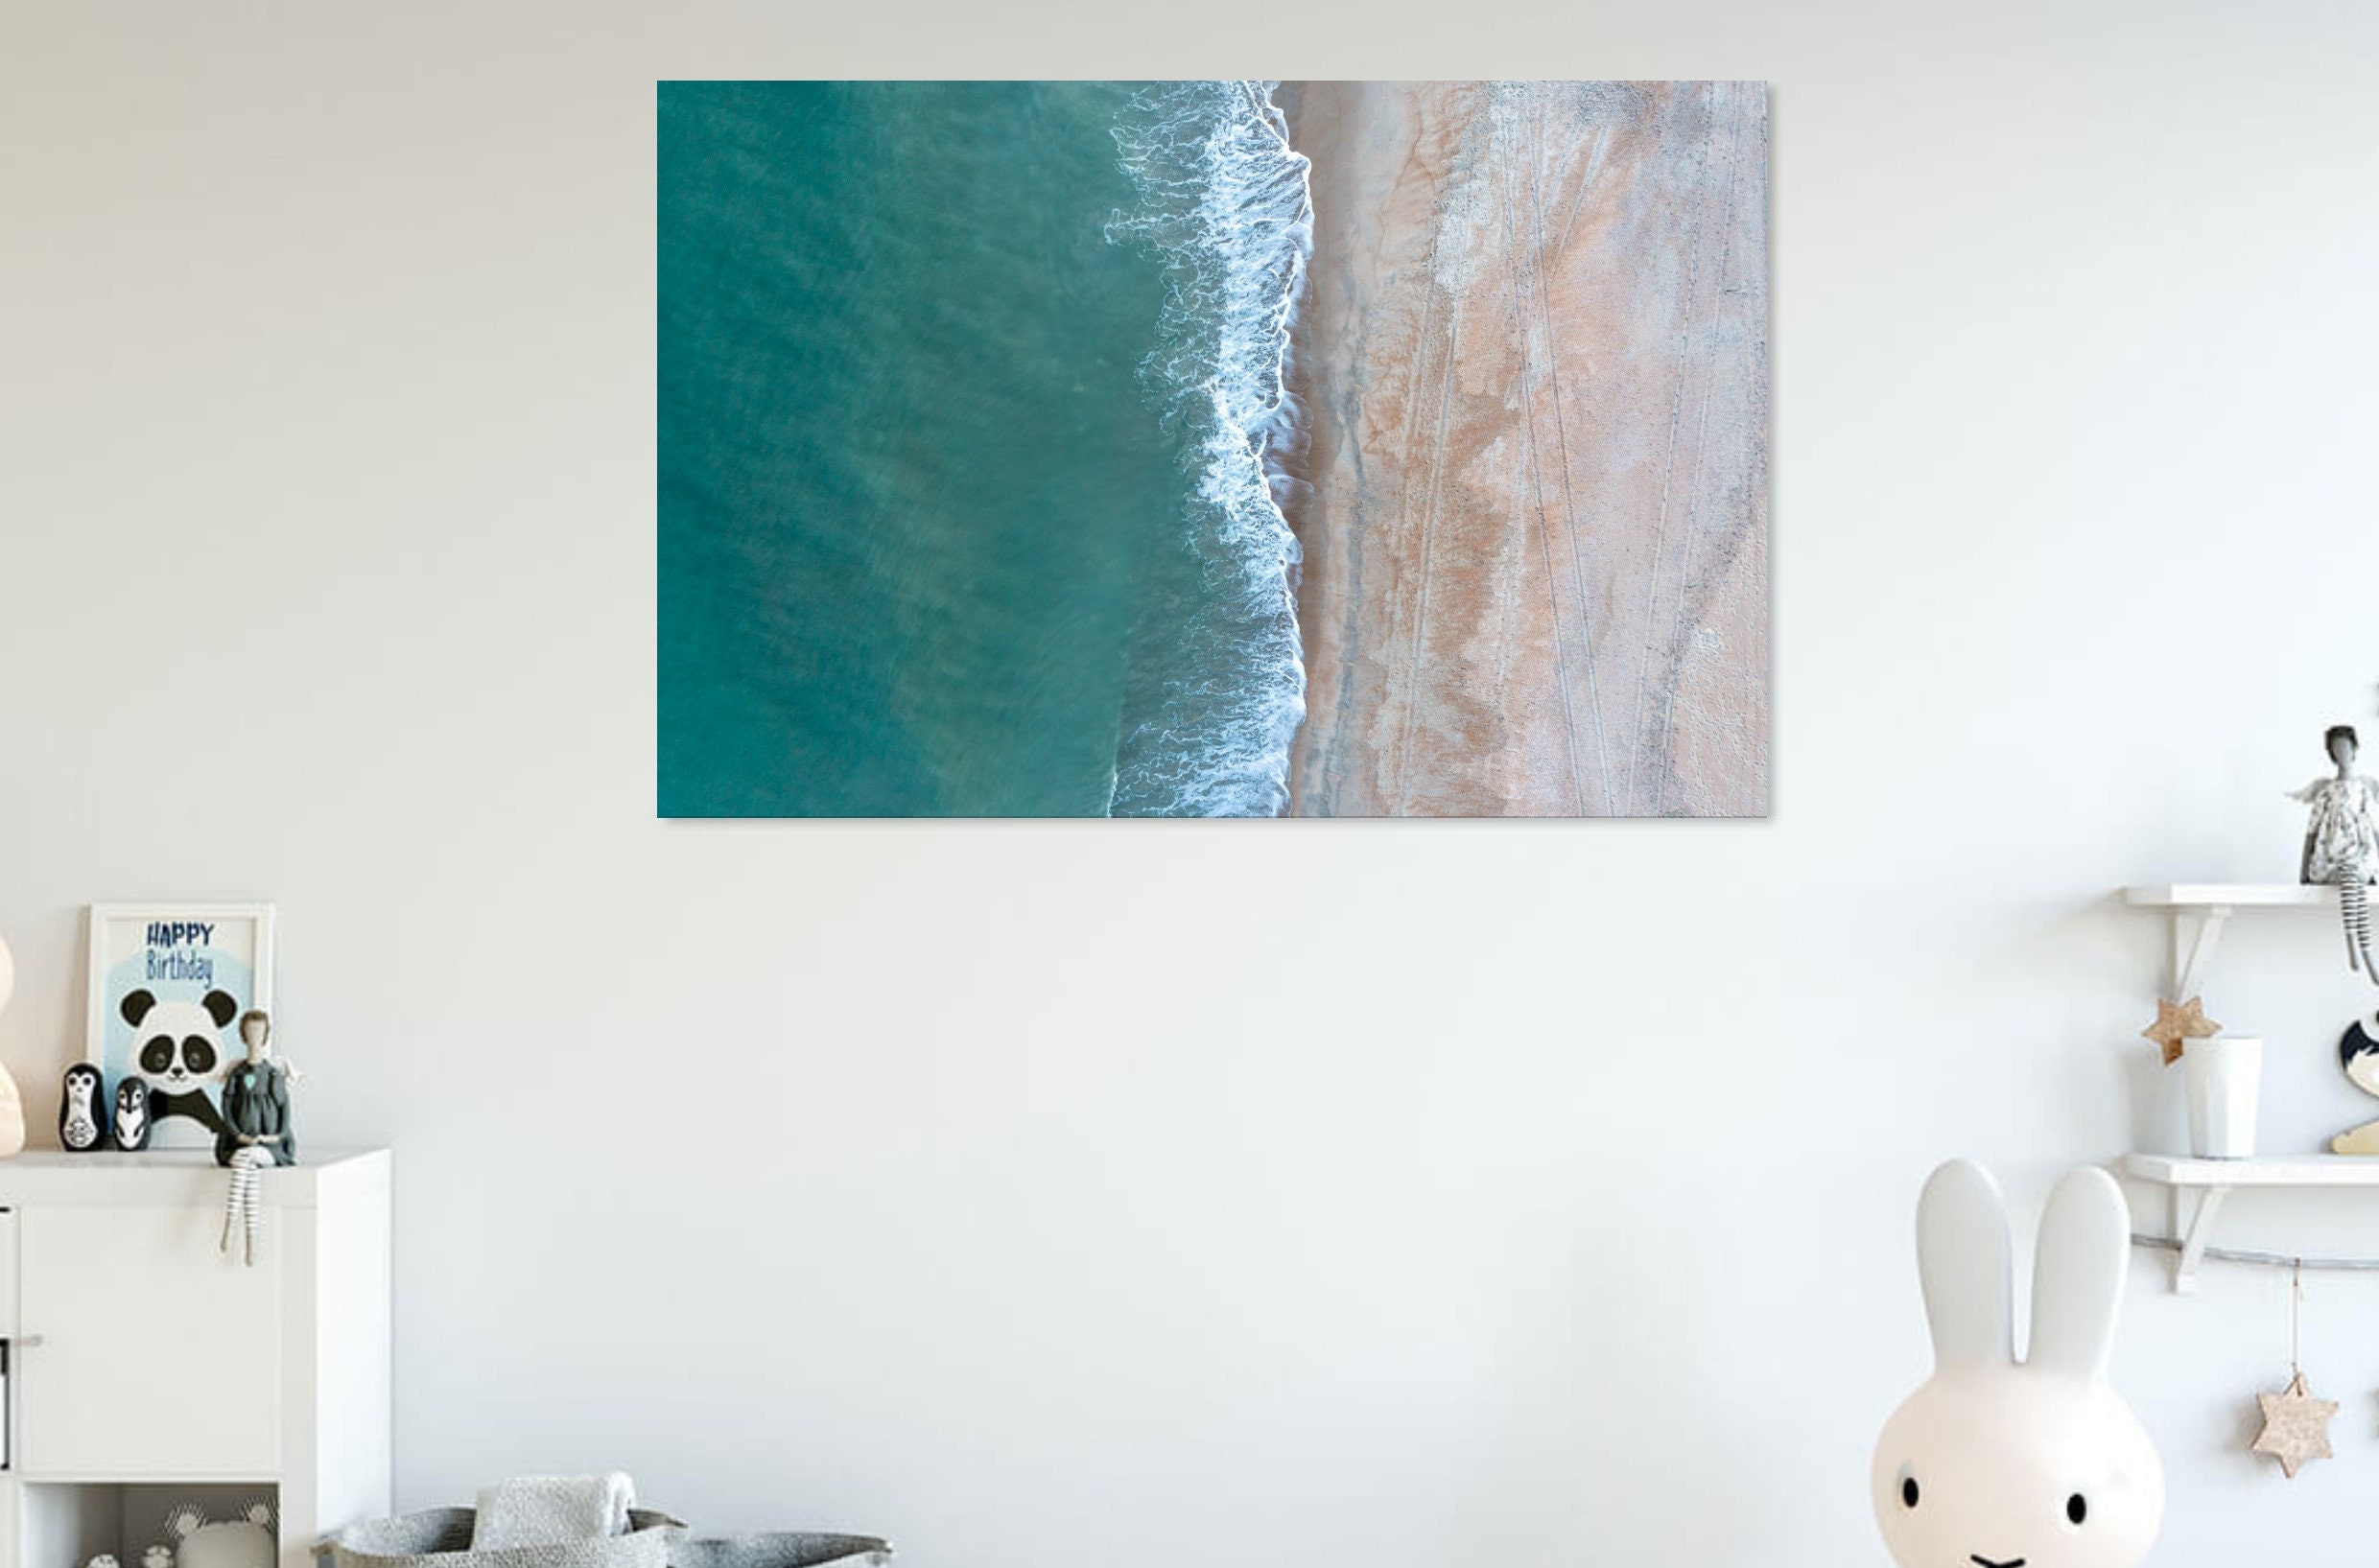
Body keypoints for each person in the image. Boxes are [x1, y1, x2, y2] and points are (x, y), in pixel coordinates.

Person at [2293, 725, 2379, 981]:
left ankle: (2354, 942)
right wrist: (2303, 871)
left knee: (2354, 878)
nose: (2341, 752)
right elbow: (2311, 831)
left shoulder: (2363, 792)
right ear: (2331, 753)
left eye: (2345, 747)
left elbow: (2375, 828)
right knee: (2350, 877)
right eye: (2336, 748)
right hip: (2330, 861)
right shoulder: (2326, 793)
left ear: (2354, 750)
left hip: (2359, 858)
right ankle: (2366, 954)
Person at [217, 1009, 294, 1265]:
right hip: (239, 1143)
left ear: (265, 1035)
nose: (254, 1036)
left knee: (248, 1159)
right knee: (246, 1162)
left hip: (269, 1147)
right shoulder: (237, 1074)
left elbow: (285, 1112)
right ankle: (250, 1240)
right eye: (250, 1031)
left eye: (258, 1032)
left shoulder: (272, 1074)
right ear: (242, 1035)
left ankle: (230, 1225)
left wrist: (275, 1137)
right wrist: (238, 1135)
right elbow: (226, 1108)